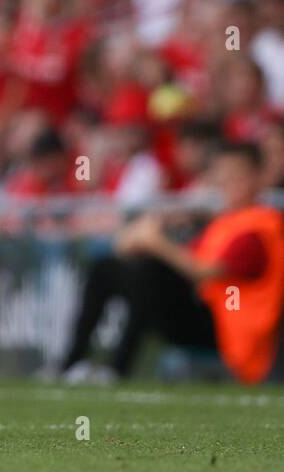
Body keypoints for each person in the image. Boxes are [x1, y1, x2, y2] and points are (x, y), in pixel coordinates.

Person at [61, 142, 284, 384]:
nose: (228, 185)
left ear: (259, 178)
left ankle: (116, 369)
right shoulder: (225, 224)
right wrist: (146, 237)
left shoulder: (258, 228)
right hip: (214, 316)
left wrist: (156, 241)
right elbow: (131, 246)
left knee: (150, 275)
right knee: (109, 269)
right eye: (223, 177)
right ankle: (73, 364)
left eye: (237, 176)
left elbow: (204, 272)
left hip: (233, 328)